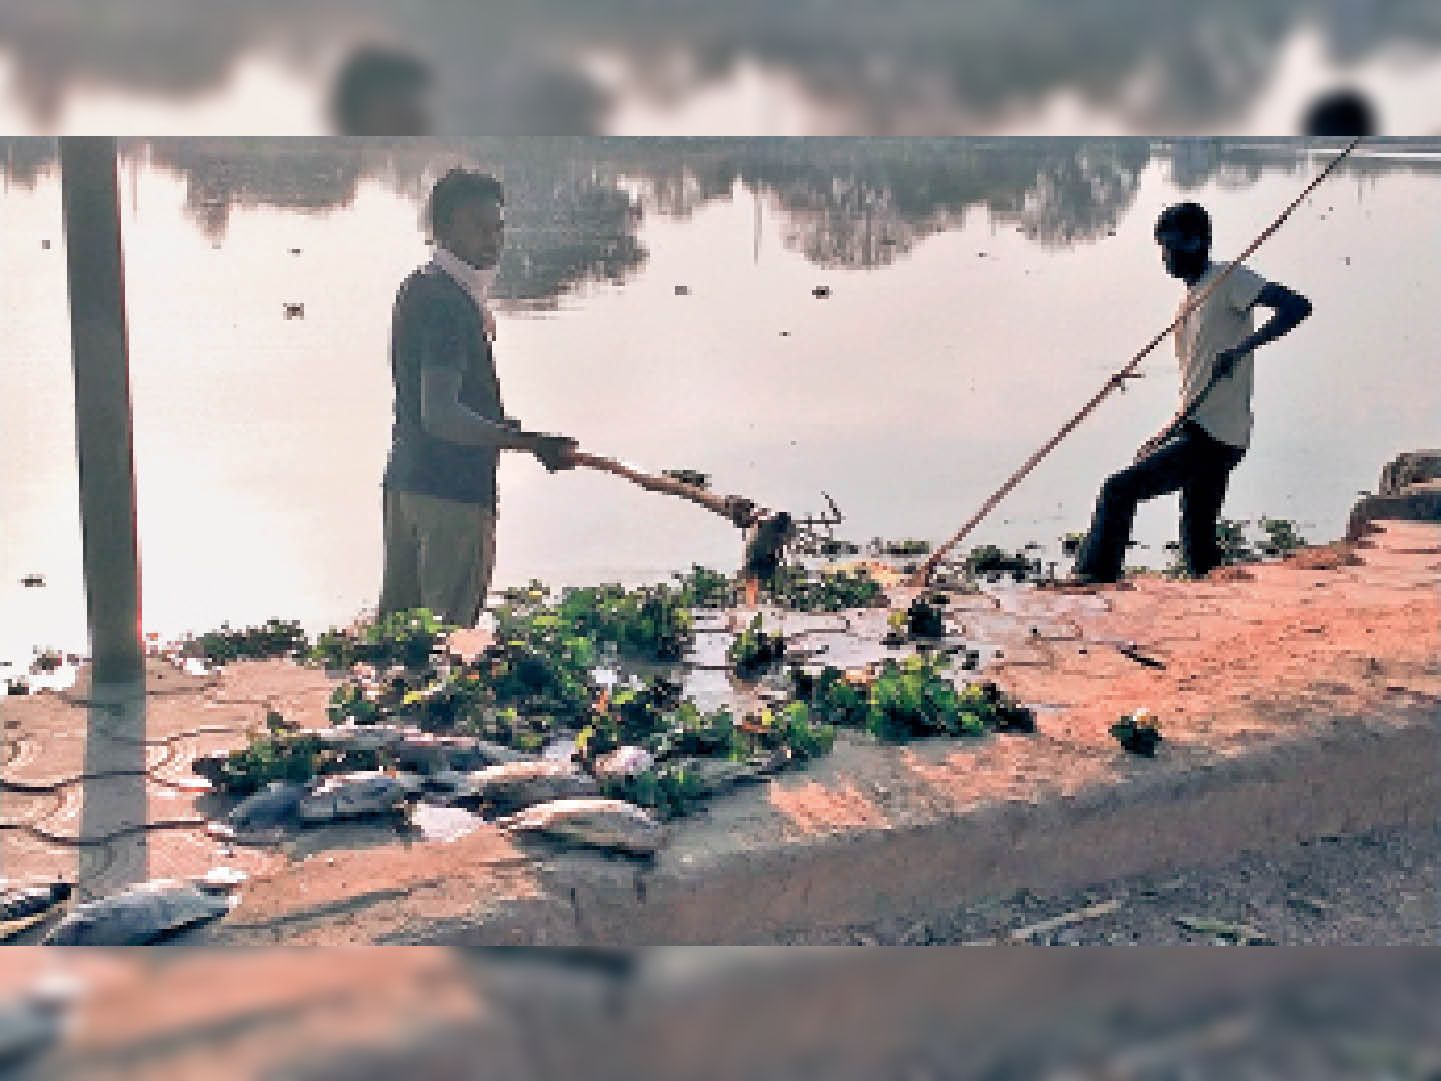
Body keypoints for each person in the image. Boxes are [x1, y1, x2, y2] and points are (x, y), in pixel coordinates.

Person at [1070, 201, 1312, 584]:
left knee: (1118, 490)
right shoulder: (1192, 298)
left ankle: (1093, 581)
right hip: (1199, 426)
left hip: (1215, 436)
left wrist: (1242, 348)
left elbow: (1297, 307)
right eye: (1162, 248)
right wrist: (1171, 427)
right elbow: (1196, 382)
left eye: (1172, 246)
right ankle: (1217, 608)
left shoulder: (1228, 279)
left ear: (1198, 242)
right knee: (1198, 544)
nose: (1166, 257)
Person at [380, 168, 577, 626]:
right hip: (452, 497)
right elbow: (441, 415)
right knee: (446, 640)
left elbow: (443, 407)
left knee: (399, 639)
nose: (493, 241)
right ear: (445, 229)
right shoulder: (448, 305)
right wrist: (529, 442)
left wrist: (511, 432)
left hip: (407, 485)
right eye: (479, 228)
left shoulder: (422, 286)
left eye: (499, 228)